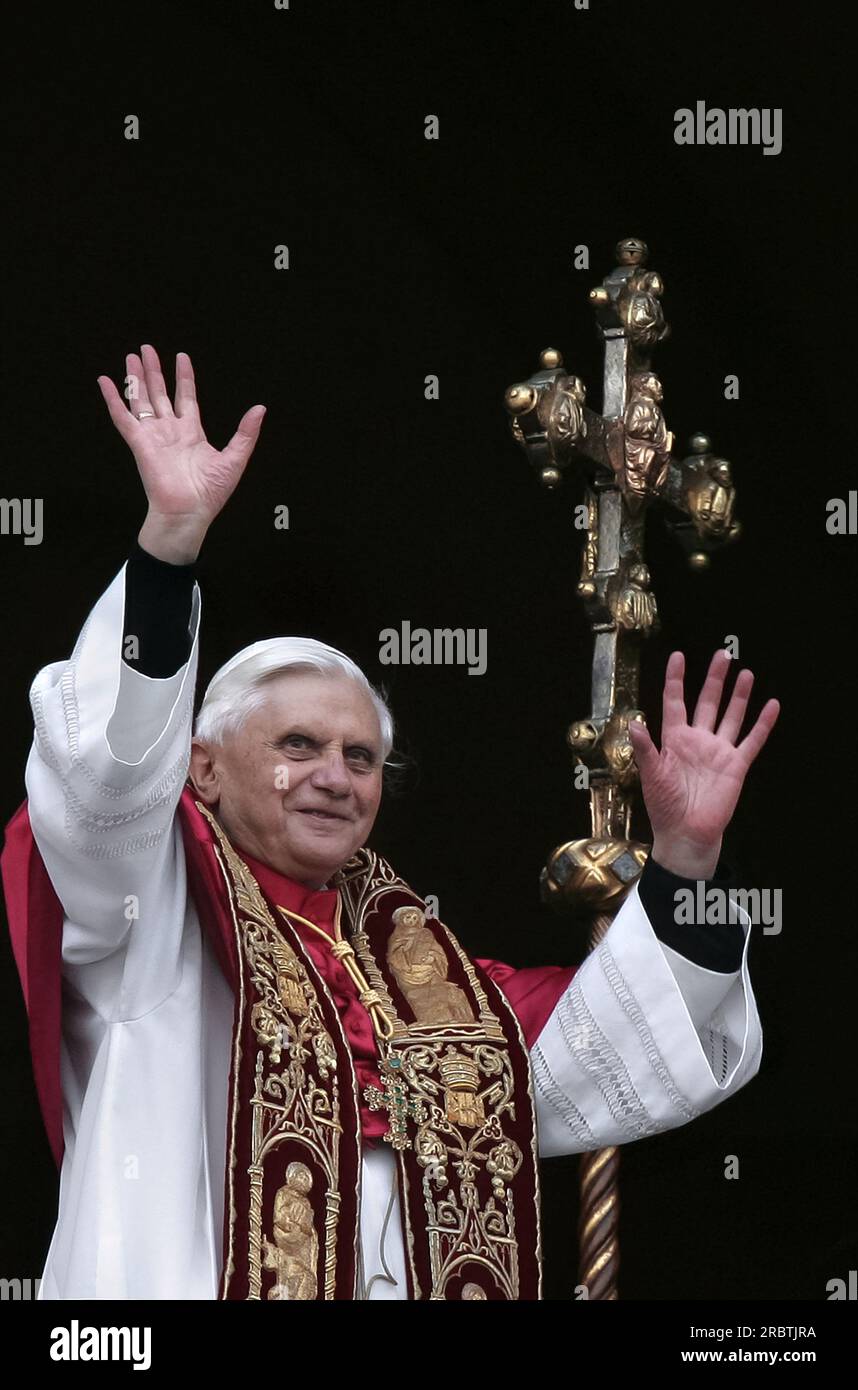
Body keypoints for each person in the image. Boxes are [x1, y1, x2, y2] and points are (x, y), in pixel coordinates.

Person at [1, 345, 780, 1301]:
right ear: (200, 768)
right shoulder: (152, 909)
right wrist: (168, 548)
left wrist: (686, 860)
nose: (335, 778)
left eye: (362, 758)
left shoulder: (419, 972)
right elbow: (104, 786)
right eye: (298, 745)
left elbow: (604, 1051)